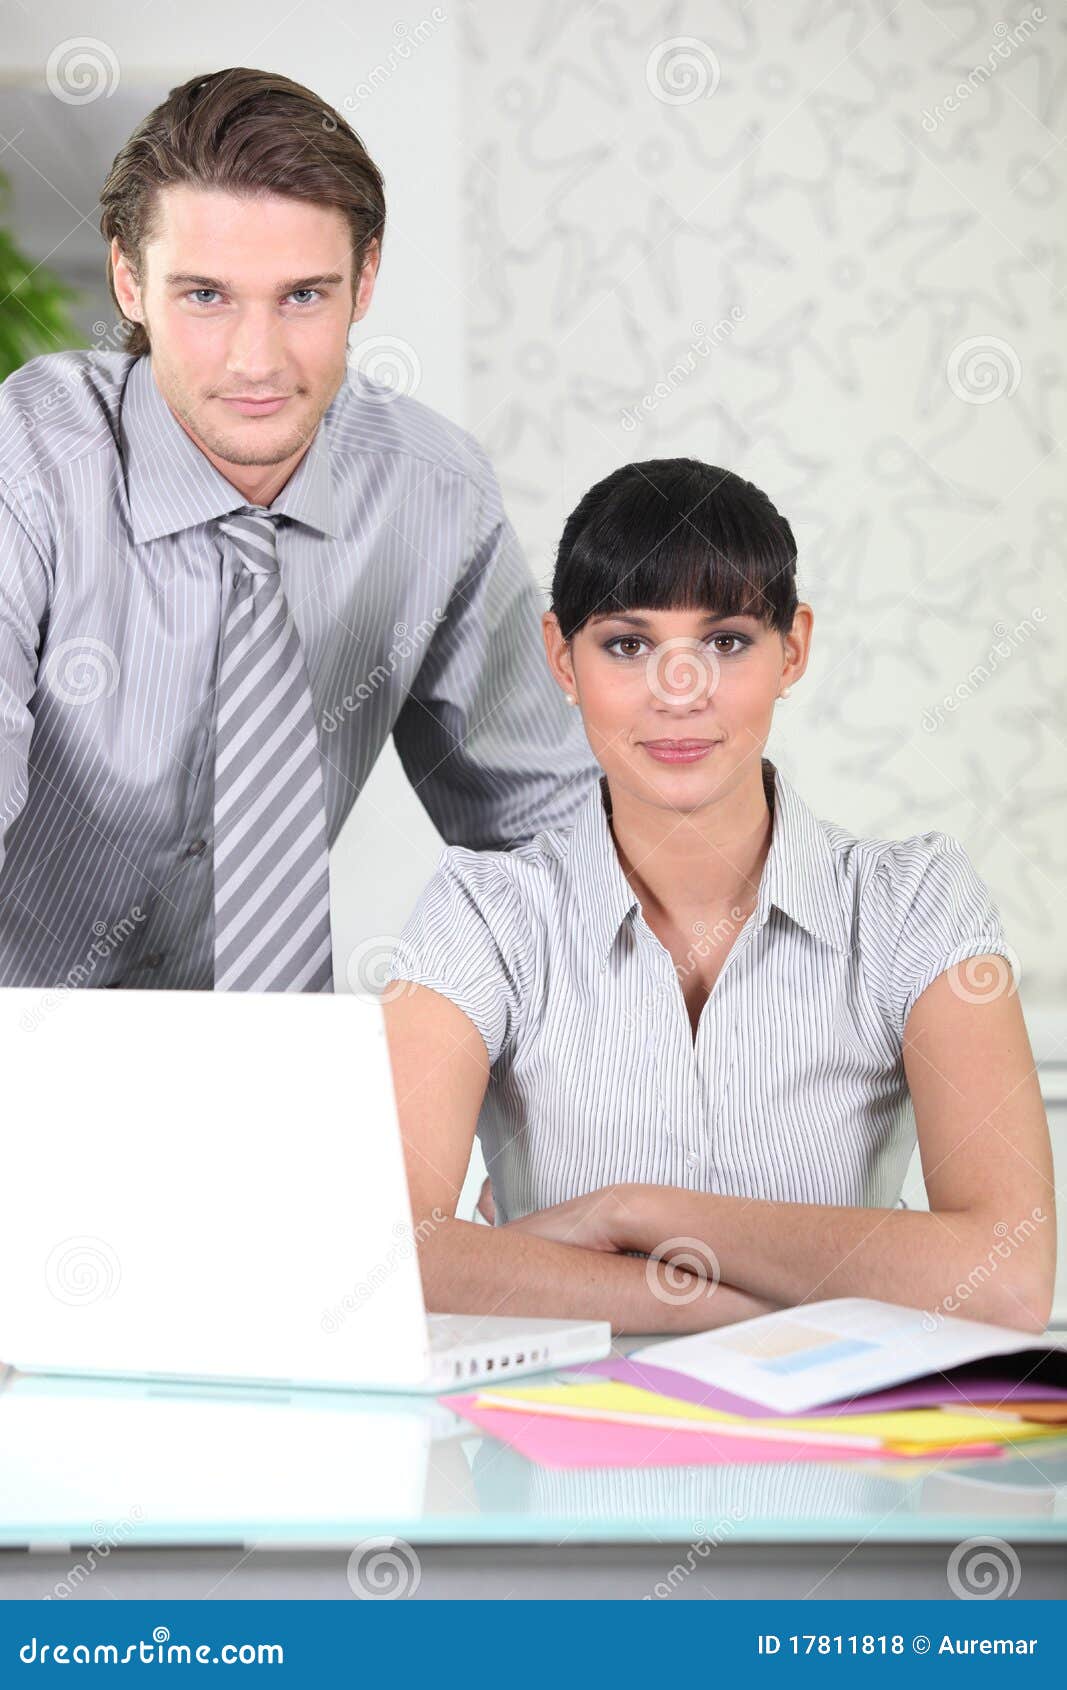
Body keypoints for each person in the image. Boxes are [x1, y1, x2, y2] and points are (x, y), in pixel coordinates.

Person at [384, 459, 1056, 1336]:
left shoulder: (913, 902)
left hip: (846, 1458)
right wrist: (762, 1301)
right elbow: (388, 1258)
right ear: (561, 657)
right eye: (627, 644)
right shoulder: (482, 912)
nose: (679, 690)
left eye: (727, 641)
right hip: (558, 1452)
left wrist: (625, 1213)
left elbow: (1006, 1280)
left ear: (794, 650)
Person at [0, 68, 598, 992]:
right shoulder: (30, 461)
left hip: (279, 1076)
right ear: (129, 280)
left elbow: (547, 836)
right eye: (205, 296)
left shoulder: (431, 493)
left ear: (364, 280)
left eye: (303, 297)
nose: (257, 360)